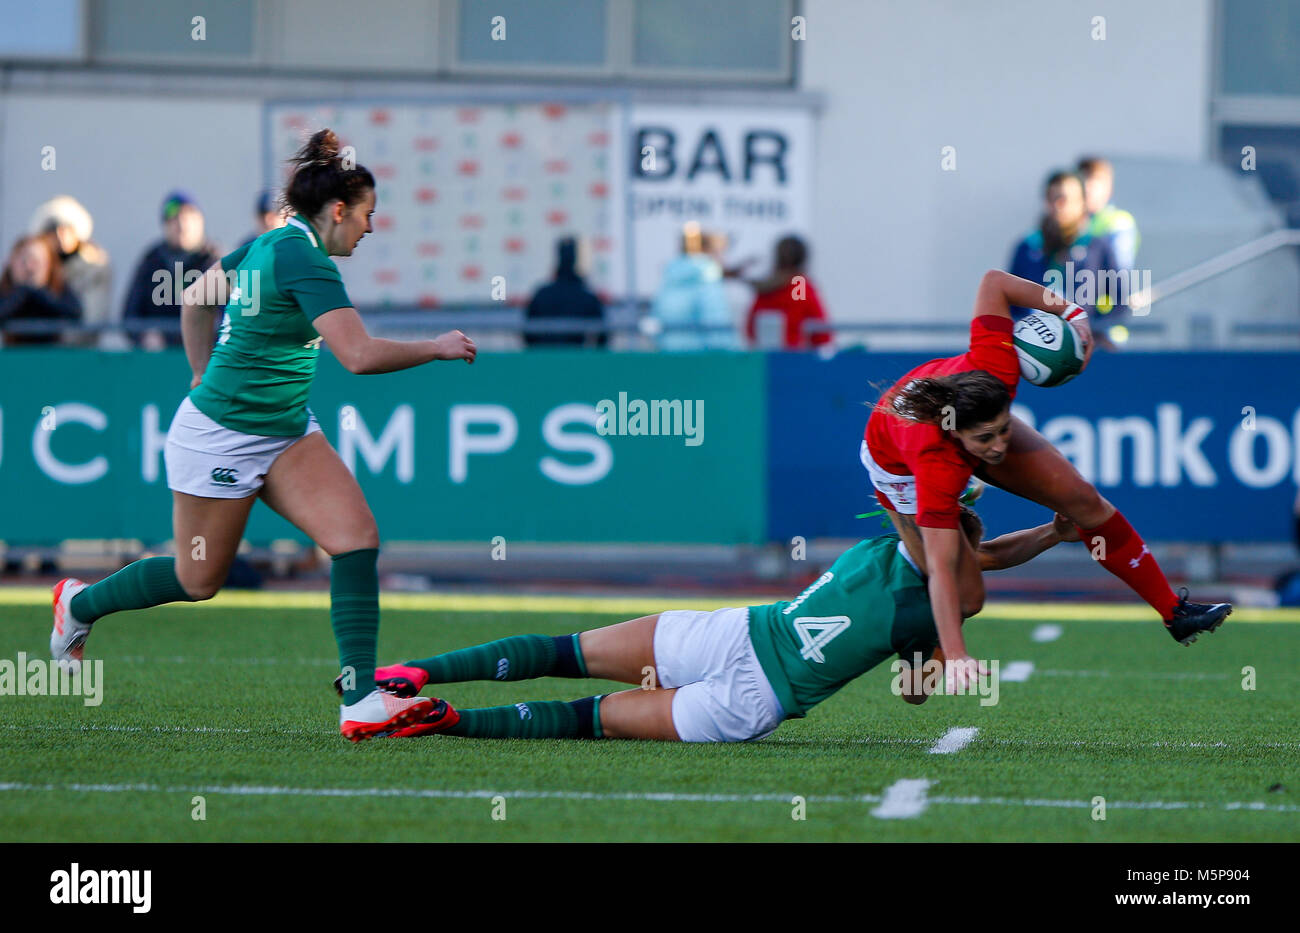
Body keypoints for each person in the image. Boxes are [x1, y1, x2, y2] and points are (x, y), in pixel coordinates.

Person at [49, 129, 479, 741]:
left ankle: (359, 700)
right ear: (337, 212)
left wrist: (199, 370)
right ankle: (77, 604)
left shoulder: (272, 244)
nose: (371, 227)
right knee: (199, 581)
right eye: (367, 216)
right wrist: (434, 348)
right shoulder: (301, 257)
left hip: (283, 432)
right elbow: (356, 355)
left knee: (354, 540)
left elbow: (195, 301)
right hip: (221, 437)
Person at [345, 506, 1073, 742]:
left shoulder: (930, 580)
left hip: (744, 692)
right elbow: (966, 556)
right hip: (738, 642)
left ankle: (439, 713)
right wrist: (1044, 532)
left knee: (586, 707)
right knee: (575, 670)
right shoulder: (914, 553)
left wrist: (926, 663)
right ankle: (422, 681)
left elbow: (970, 568)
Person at [860, 269, 1231, 690]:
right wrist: (958, 652)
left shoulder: (996, 364)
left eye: (1005, 428)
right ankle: (916, 615)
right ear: (958, 435)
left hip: (962, 424)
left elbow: (993, 282)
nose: (1000, 446)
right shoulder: (934, 464)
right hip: (898, 468)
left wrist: (1073, 312)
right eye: (987, 439)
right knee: (966, 593)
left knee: (1084, 501)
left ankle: (1173, 613)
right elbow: (944, 569)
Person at [1008, 171, 1126, 346]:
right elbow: (1010, 301)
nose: (1058, 206)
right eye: (1053, 198)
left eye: (1065, 199)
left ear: (1082, 203)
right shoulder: (1027, 247)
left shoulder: (1098, 247)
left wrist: (1095, 330)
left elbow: (1120, 301)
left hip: (1085, 349)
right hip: (1033, 351)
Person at [121, 190, 221, 349]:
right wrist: (144, 335)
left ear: (200, 221)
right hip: (159, 361)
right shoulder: (151, 261)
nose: (182, 225)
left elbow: (232, 319)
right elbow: (130, 316)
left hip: (206, 361)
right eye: (174, 219)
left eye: (188, 217)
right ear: (165, 225)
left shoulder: (216, 261)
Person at [27, 195, 113, 337]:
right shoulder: (32, 266)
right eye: (52, 229)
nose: (60, 236)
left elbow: (92, 320)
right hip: (33, 352)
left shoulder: (94, 267)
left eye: (67, 228)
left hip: (75, 353)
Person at [1077, 156, 1140, 345]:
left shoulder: (1118, 223)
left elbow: (1119, 276)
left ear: (1108, 187)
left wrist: (1107, 321)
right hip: (1078, 326)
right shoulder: (1074, 224)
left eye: (1094, 182)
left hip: (1106, 330)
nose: (1088, 189)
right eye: (1083, 181)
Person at [648, 223, 737, 351]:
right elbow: (718, 333)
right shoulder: (708, 284)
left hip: (669, 357)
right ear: (709, 252)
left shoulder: (669, 282)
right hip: (704, 363)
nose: (723, 258)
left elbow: (655, 324)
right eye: (720, 252)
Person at [739, 235, 832, 350]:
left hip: (765, 360)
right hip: (793, 359)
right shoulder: (799, 285)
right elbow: (821, 333)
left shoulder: (766, 287)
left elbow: (750, 329)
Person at [523, 236, 606, 347]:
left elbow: (528, 335)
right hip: (577, 360)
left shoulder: (542, 294)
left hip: (544, 359)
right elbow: (603, 337)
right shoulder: (587, 297)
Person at [0, 234, 82, 345]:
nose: (29, 268)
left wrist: (37, 293)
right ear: (11, 264)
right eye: (23, 261)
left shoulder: (59, 289)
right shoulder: (5, 291)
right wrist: (22, 292)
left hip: (51, 357)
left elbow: (74, 313)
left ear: (49, 266)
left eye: (36, 262)